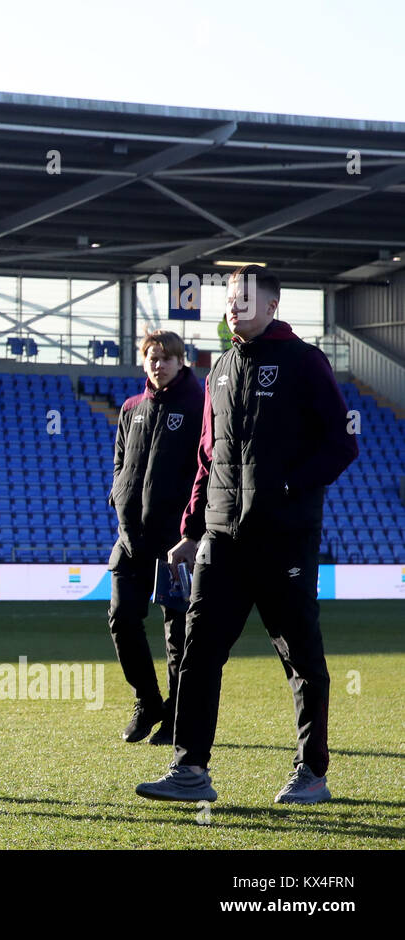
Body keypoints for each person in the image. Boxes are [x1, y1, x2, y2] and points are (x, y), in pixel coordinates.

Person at [136, 265, 358, 805]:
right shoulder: (221, 369)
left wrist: (286, 486)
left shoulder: (306, 363)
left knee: (300, 656)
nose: (234, 306)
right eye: (230, 298)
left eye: (245, 299)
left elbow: (341, 444)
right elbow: (208, 457)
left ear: (273, 306)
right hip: (220, 540)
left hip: (284, 538)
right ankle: (190, 769)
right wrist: (191, 529)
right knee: (199, 651)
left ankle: (312, 773)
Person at [107, 330, 203, 746]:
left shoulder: (200, 406)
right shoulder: (131, 408)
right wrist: (119, 501)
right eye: (150, 356)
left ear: (181, 361)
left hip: (176, 543)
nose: (157, 363)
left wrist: (193, 531)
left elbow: (207, 468)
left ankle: (177, 718)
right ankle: (148, 703)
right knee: (122, 619)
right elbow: (119, 466)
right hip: (130, 540)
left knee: (178, 632)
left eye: (166, 357)